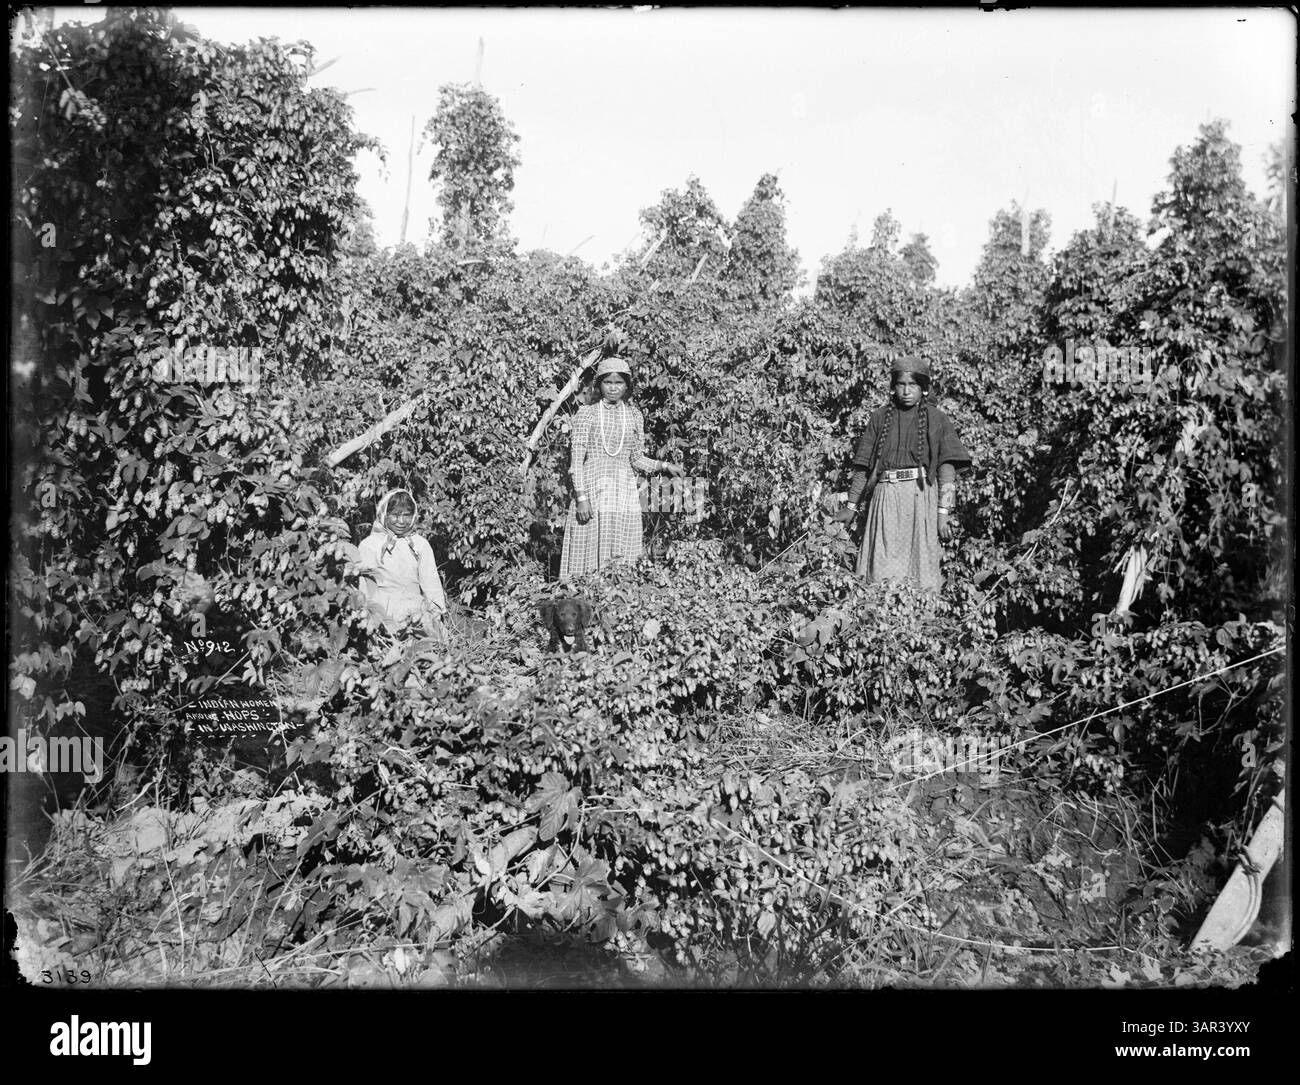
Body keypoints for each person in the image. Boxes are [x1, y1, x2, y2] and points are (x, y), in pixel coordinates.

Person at [835, 355, 972, 591]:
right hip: (885, 496)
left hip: (920, 499)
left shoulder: (937, 419)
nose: (907, 391)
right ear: (893, 387)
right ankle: (879, 618)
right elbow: (862, 466)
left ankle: (917, 621)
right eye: (901, 384)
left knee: (919, 567)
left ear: (924, 389)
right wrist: (851, 506)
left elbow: (947, 469)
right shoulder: (879, 418)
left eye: (913, 385)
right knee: (881, 567)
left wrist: (943, 513)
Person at [560, 357, 683, 577]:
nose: (613, 387)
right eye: (608, 382)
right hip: (593, 490)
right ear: (599, 384)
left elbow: (636, 458)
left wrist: (664, 465)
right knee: (589, 552)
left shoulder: (634, 415)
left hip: (623, 492)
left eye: (619, 383)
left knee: (621, 552)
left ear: (627, 386)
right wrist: (581, 498)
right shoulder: (586, 414)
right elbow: (576, 462)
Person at [358, 488, 448, 637]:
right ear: (384, 514)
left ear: (413, 516)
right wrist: (364, 612)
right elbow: (363, 583)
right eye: (395, 515)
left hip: (414, 609)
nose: (401, 521)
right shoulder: (370, 545)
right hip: (382, 610)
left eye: (406, 515)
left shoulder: (420, 544)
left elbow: (430, 580)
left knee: (432, 645)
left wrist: (436, 612)